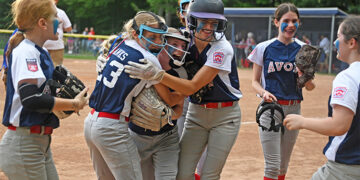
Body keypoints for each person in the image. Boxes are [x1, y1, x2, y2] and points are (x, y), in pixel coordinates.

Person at [124, 0, 242, 179]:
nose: (209, 27)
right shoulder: (184, 39)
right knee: (182, 173)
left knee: (209, 175)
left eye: (214, 23)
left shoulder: (222, 48)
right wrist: (112, 51)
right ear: (192, 20)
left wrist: (157, 76)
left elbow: (193, 86)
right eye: (204, 21)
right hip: (196, 113)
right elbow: (149, 36)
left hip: (225, 116)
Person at [0, 0, 89, 179]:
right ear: (42, 23)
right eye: (55, 17)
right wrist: (73, 103)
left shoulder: (39, 51)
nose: (59, 21)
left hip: (37, 143)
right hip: (24, 146)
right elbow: (31, 99)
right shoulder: (26, 52)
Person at [83, 11, 168, 180]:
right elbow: (168, 98)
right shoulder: (148, 58)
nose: (158, 42)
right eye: (152, 36)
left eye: (160, 36)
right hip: (112, 128)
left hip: (91, 122)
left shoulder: (118, 43)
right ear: (136, 33)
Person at [284, 16, 360, 180]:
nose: (335, 42)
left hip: (346, 167)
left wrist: (302, 122)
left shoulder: (348, 77)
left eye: (338, 37)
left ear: (352, 43)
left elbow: (339, 125)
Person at [247, 3, 315, 180]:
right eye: (286, 21)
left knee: (283, 165)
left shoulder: (304, 49)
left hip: (294, 109)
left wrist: (304, 76)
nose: (290, 25)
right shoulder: (263, 47)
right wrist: (263, 93)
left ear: (299, 23)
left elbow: (310, 87)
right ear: (276, 22)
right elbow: (254, 82)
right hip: (270, 109)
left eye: (294, 21)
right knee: (272, 166)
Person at [129, 27, 190, 180]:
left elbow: (178, 109)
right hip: (138, 135)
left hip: (167, 137)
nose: (180, 49)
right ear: (162, 43)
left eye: (183, 46)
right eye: (175, 44)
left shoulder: (181, 73)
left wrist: (161, 117)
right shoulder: (141, 65)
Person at [43, 0, 72, 66]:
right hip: (56, 44)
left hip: (42, 42)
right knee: (56, 67)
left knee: (42, 66)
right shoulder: (61, 12)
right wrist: (61, 27)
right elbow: (69, 28)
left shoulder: (40, 11)